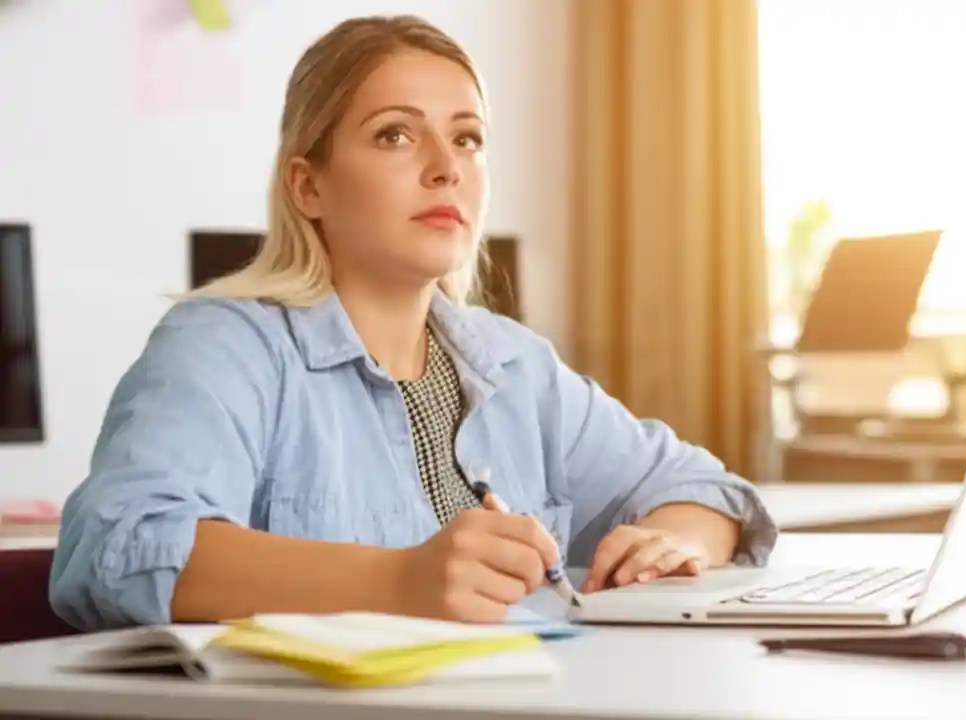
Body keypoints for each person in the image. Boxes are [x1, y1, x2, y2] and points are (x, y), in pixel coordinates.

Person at [49, 15, 776, 631]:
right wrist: (397, 581)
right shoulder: (224, 344)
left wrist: (669, 542)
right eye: (396, 135)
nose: (445, 168)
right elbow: (119, 550)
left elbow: (706, 492)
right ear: (308, 185)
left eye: (467, 139)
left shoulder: (515, 364)